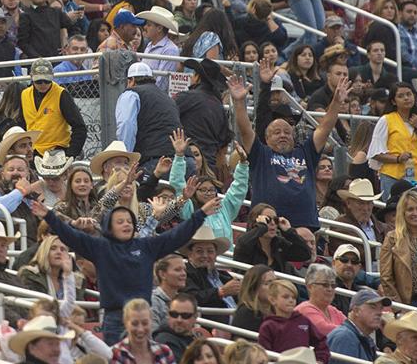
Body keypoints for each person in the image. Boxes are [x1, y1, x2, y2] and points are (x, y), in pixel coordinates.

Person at [28, 180, 221, 345]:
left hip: (143, 316)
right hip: (115, 318)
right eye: (120, 221)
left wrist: (200, 214)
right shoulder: (100, 247)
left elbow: (176, 236)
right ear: (109, 226)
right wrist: (49, 216)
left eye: (129, 221)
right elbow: (71, 236)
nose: (126, 224)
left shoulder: (146, 246)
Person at [234, 58, 348, 229]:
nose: (283, 135)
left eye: (287, 132)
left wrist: (336, 102)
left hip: (304, 226)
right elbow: (245, 129)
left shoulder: (305, 153)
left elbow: (324, 127)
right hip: (267, 226)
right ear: (266, 138)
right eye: (276, 132)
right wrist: (239, 102)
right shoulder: (261, 154)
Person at [325, 288, 389, 364]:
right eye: (373, 307)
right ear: (356, 311)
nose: (380, 312)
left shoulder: (361, 337)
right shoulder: (344, 337)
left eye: (381, 308)